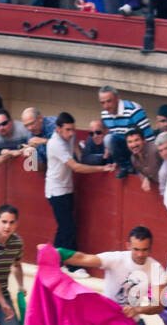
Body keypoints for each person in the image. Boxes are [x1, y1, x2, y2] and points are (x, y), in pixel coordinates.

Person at [45, 112, 118, 263]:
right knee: (68, 228)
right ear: (58, 129)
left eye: (73, 129)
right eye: (68, 130)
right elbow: (76, 167)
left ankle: (53, 261)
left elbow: (81, 156)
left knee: (65, 228)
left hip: (67, 188)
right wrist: (102, 169)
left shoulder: (70, 138)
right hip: (56, 191)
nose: (71, 133)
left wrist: (103, 159)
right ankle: (71, 265)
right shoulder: (56, 144)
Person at [60, 225, 167, 322]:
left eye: (145, 250)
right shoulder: (116, 259)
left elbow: (158, 306)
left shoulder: (156, 269)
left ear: (151, 248)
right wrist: (57, 252)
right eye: (136, 249)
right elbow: (82, 258)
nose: (140, 254)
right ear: (128, 246)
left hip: (132, 321)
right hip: (106, 319)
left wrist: (137, 310)